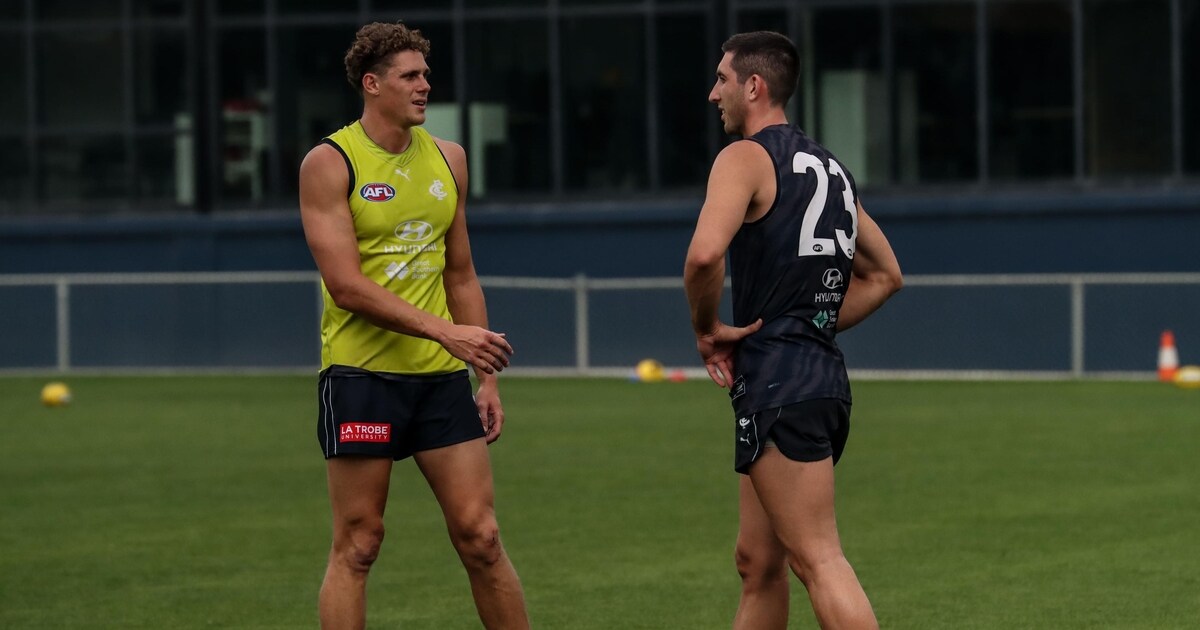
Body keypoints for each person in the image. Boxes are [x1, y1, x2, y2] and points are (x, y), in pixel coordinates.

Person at [298, 22, 529, 630]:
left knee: (482, 536)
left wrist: (487, 380)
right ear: (372, 85)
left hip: (439, 382)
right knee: (360, 542)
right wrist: (444, 333)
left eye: (426, 74)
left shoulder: (450, 160)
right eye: (411, 76)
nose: (425, 86)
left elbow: (461, 275)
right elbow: (346, 287)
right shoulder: (329, 162)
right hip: (360, 378)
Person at [684, 32, 903, 630]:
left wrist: (707, 330)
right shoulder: (830, 169)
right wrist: (812, 323)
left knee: (819, 560)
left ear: (754, 87)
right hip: (811, 375)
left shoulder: (744, 158)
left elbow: (704, 257)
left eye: (722, 80)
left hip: (781, 379)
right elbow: (886, 275)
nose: (713, 94)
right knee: (758, 562)